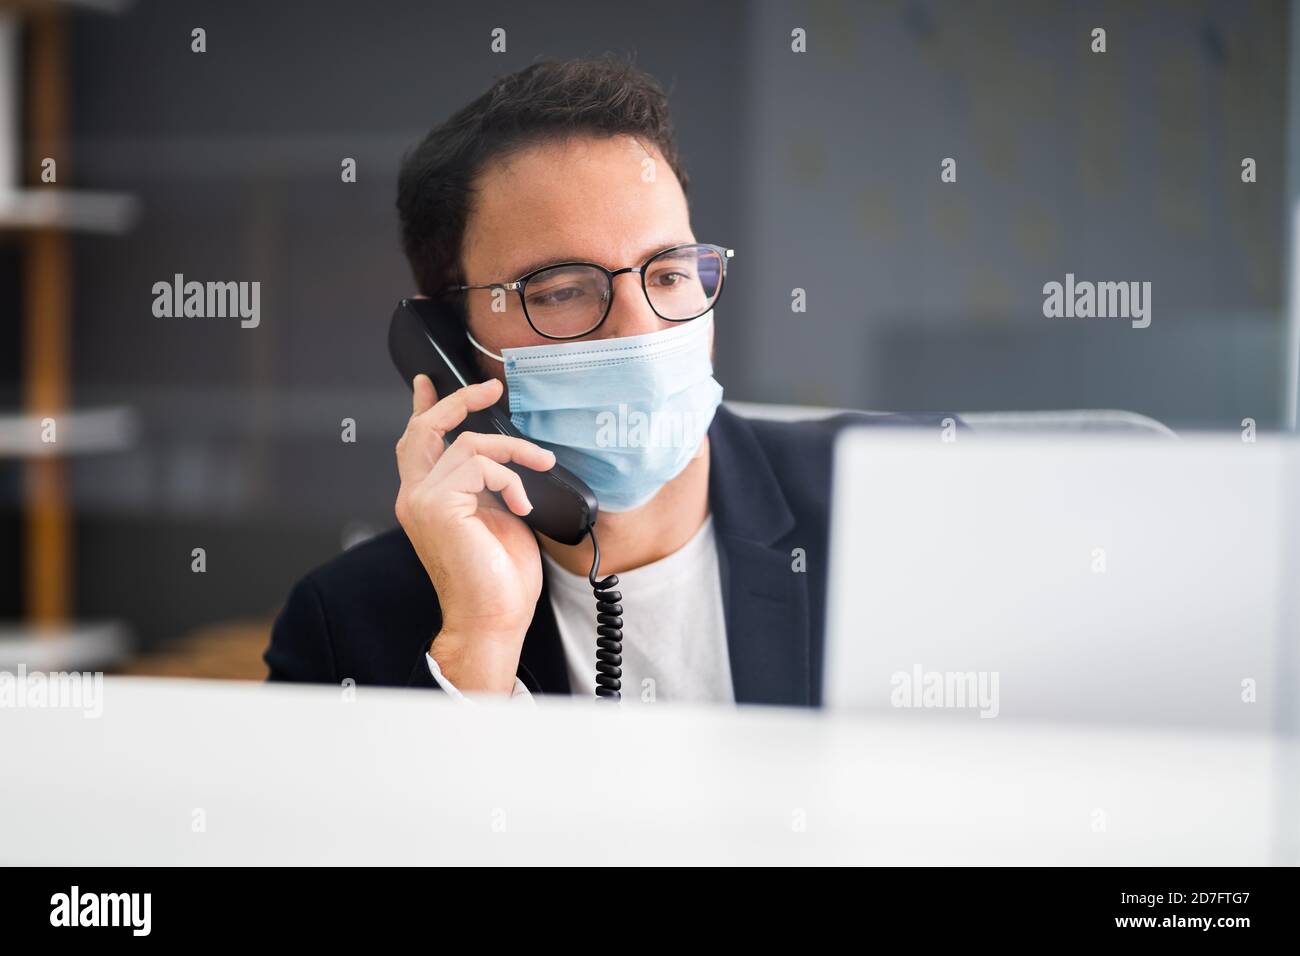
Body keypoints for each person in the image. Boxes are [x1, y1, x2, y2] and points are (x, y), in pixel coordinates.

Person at [264, 56, 954, 706]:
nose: (639, 330)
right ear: (449, 343)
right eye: (563, 290)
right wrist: (479, 643)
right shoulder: (340, 626)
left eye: (669, 273)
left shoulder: (914, 498)